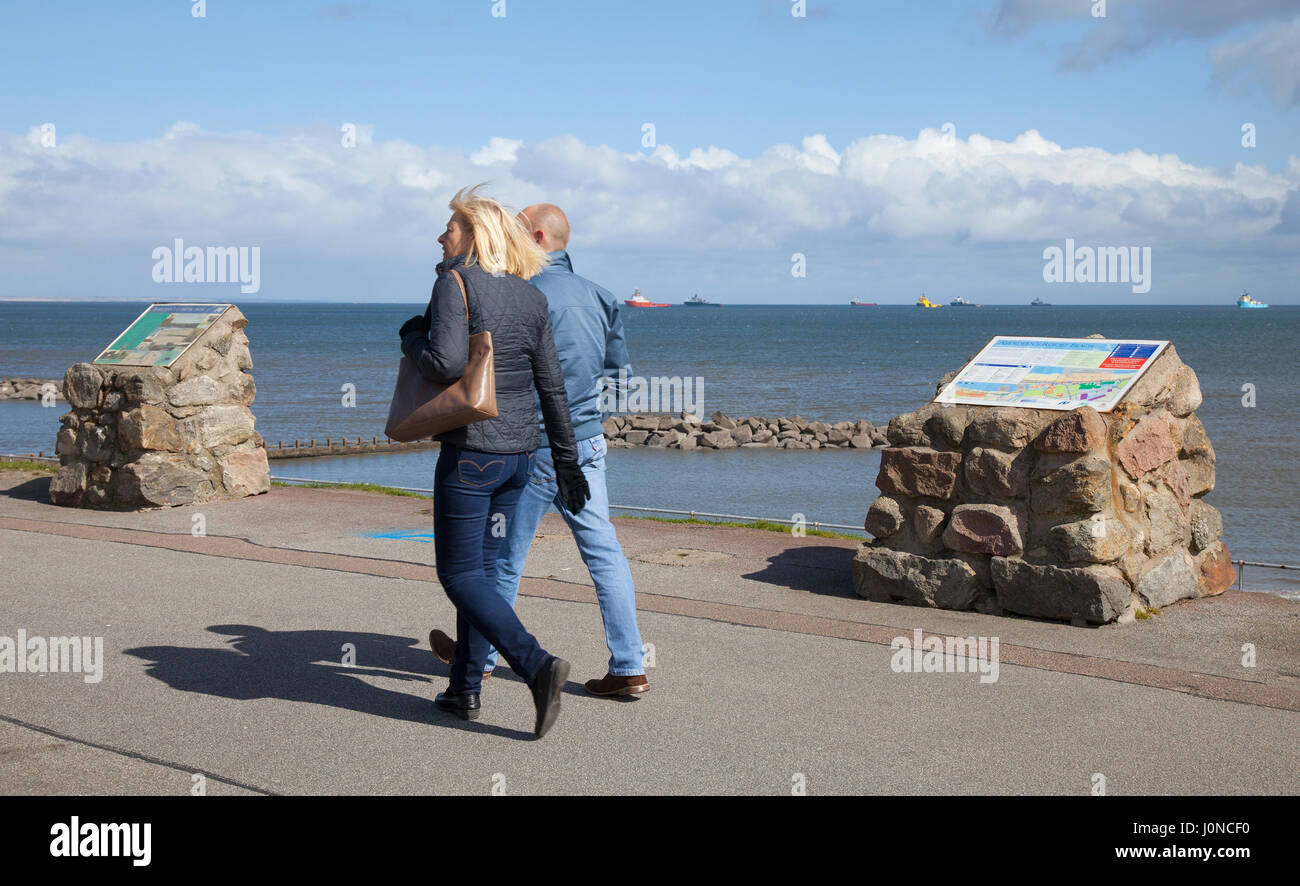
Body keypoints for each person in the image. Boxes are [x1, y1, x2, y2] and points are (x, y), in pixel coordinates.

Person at [430, 203, 649, 698]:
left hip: (535, 443)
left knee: (502, 559)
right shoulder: (603, 296)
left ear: (537, 236)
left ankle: (480, 664)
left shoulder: (522, 293)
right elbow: (621, 375)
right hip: (587, 441)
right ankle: (630, 665)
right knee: (604, 552)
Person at [398, 185, 591, 738]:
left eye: (450, 229)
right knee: (481, 574)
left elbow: (443, 361)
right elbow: (552, 387)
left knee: (458, 575)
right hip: (520, 460)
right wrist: (567, 462)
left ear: (473, 235)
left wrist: (411, 335)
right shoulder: (531, 296)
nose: (441, 237)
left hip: (471, 456)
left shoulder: (453, 281)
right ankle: (464, 691)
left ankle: (535, 665)